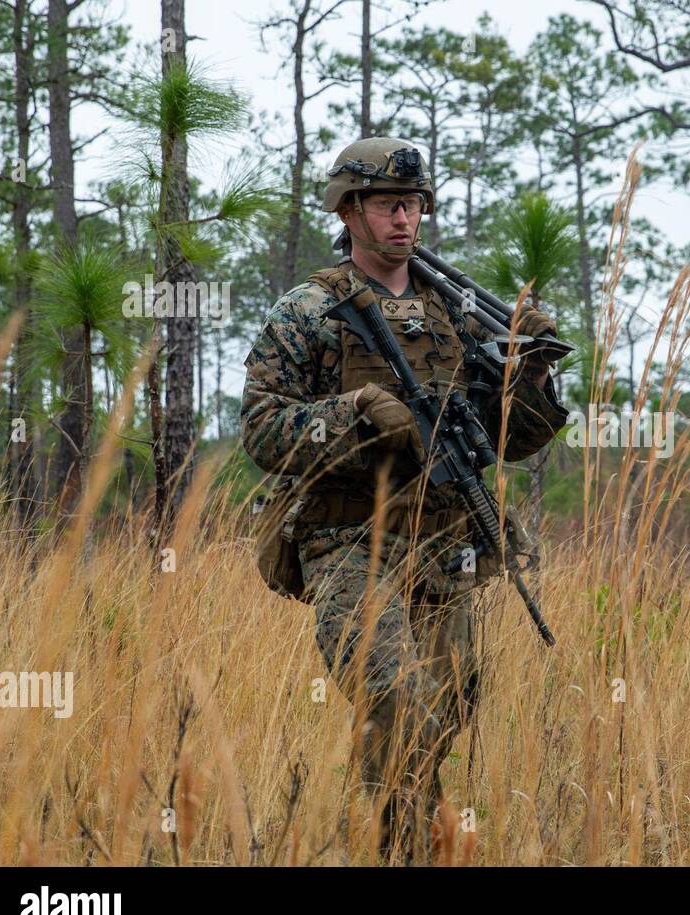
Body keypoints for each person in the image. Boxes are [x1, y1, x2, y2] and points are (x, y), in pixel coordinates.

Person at [240, 136, 568, 862]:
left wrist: (531, 379)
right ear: (350, 210)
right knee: (399, 701)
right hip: (348, 544)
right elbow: (261, 429)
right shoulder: (309, 312)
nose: (404, 219)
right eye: (389, 204)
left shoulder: (457, 313)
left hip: (443, 548)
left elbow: (508, 442)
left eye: (414, 205)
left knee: (443, 718)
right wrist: (353, 411)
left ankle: (395, 847)